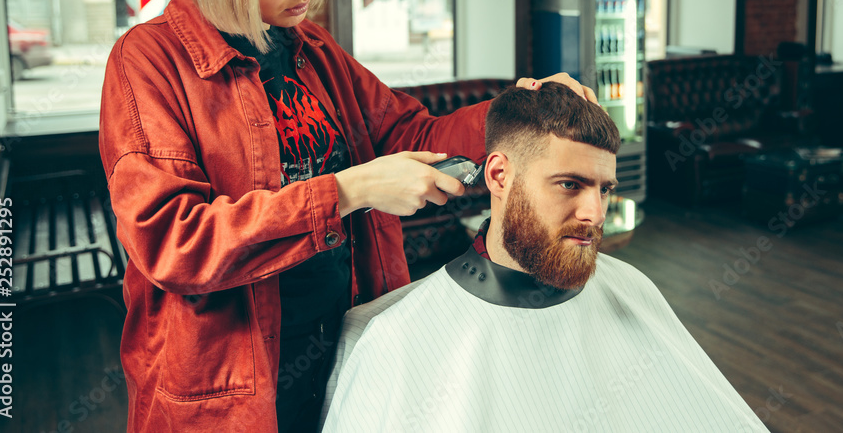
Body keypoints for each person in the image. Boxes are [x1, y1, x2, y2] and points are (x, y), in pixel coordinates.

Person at [98, 0, 594, 432]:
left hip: (349, 349)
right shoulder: (147, 63)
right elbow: (174, 243)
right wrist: (344, 192)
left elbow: (413, 132)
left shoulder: (313, 50)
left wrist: (519, 110)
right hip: (231, 390)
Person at [320, 82, 767, 432]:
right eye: (570, 184)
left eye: (604, 188)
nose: (594, 215)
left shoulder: (630, 288)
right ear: (498, 175)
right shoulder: (398, 339)